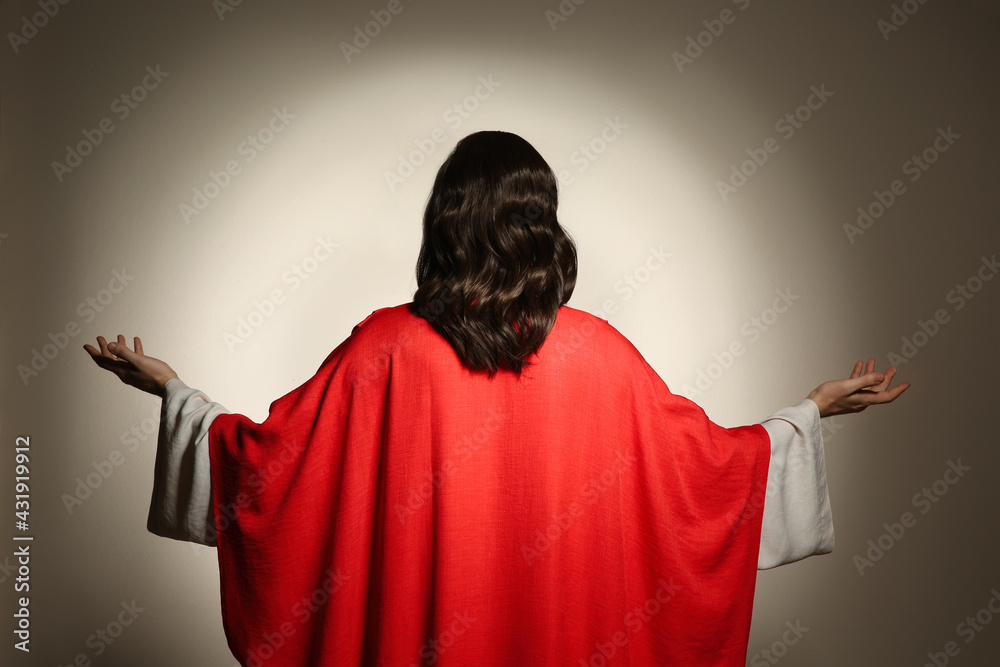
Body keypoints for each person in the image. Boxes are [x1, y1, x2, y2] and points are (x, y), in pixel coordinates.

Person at [85, 131, 909, 667]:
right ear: (542, 222)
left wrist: (177, 395)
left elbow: (271, 467)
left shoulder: (384, 348)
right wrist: (806, 415)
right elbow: (707, 473)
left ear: (444, 222)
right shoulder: (602, 355)